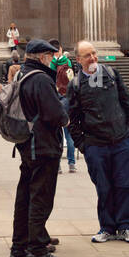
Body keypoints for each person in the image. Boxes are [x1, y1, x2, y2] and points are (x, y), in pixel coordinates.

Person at [67, 41, 129, 243]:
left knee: (125, 184)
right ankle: (107, 227)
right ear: (79, 60)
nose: (92, 58)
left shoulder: (112, 74)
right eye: (87, 55)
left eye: (94, 53)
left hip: (121, 140)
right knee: (104, 187)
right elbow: (72, 118)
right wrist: (83, 145)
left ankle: (126, 226)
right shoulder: (75, 84)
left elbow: (127, 102)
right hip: (95, 144)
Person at [8, 39, 68, 257]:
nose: (53, 59)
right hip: (42, 146)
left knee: (25, 195)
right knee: (40, 197)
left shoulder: (21, 74)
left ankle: (19, 246)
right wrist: (66, 113)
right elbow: (55, 114)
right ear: (42, 56)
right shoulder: (41, 79)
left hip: (27, 143)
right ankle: (37, 250)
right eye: (50, 56)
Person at [51, 41, 78, 174]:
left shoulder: (51, 63)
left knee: (57, 135)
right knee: (69, 135)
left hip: (55, 97)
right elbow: (72, 82)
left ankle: (58, 166)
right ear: (60, 49)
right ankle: (72, 163)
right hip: (67, 98)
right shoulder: (68, 63)